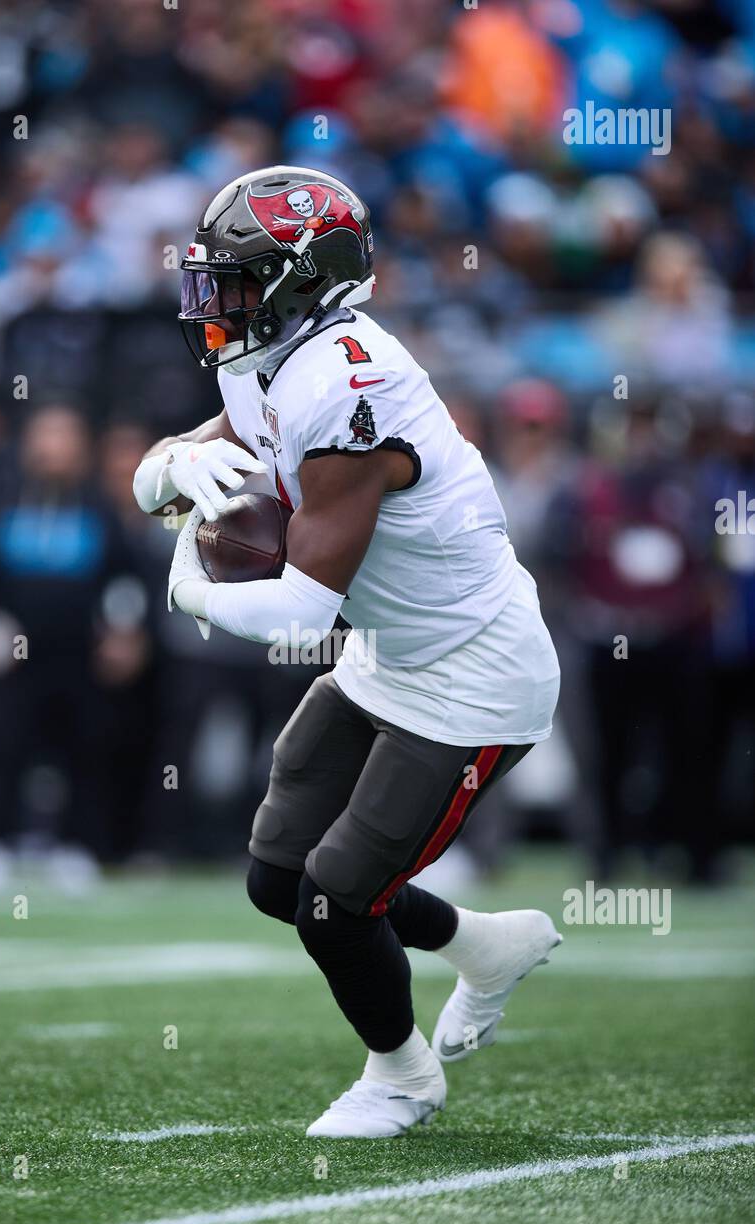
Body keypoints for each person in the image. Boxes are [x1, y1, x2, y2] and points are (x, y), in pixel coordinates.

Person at [133, 166, 562, 1138]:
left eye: (239, 279)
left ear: (304, 278)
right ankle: (482, 944)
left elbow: (296, 613)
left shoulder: (347, 388)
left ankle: (402, 1076)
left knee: (334, 897)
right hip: (390, 652)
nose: (215, 301)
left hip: (471, 672)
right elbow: (159, 482)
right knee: (275, 879)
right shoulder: (270, 354)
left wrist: (194, 591)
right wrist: (171, 462)